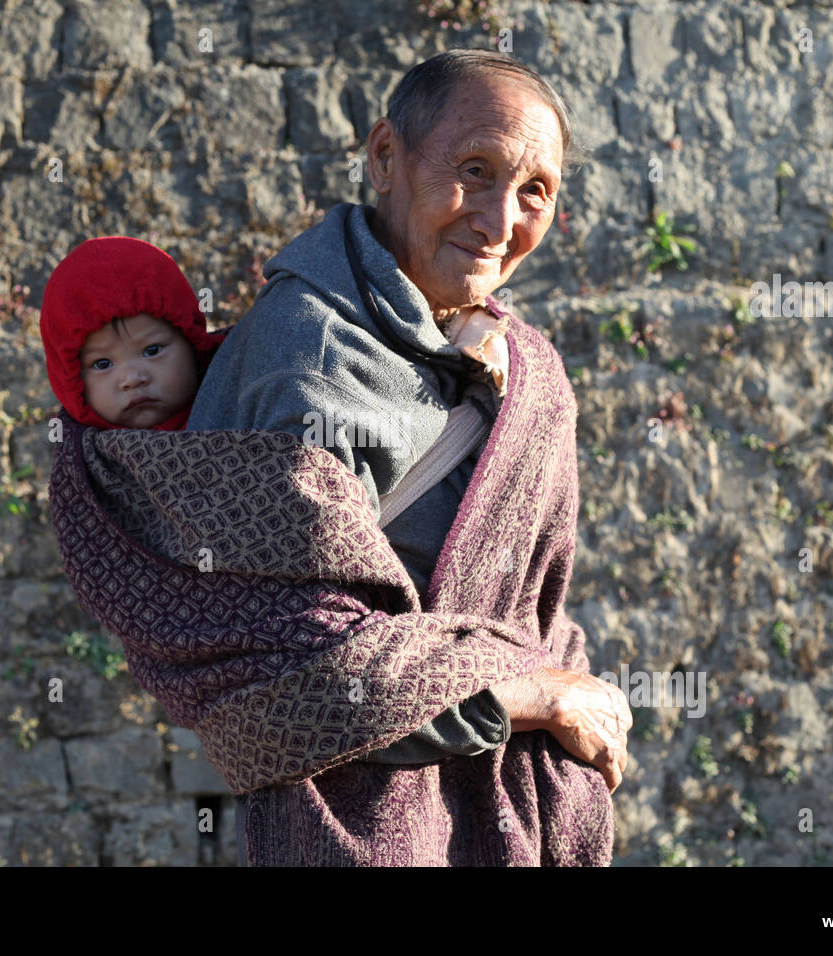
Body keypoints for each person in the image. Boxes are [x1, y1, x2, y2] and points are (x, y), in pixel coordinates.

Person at [184, 49, 632, 864]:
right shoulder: (312, 360)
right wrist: (535, 696)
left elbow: (534, 604)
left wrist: (578, 694)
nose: (501, 223)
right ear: (385, 157)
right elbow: (303, 675)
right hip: (361, 826)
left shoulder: (507, 358)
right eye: (474, 170)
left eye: (535, 191)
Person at [39, 235, 227, 434]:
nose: (133, 379)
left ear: (192, 343)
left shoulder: (238, 396)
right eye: (102, 364)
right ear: (73, 384)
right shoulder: (80, 456)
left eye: (152, 350)